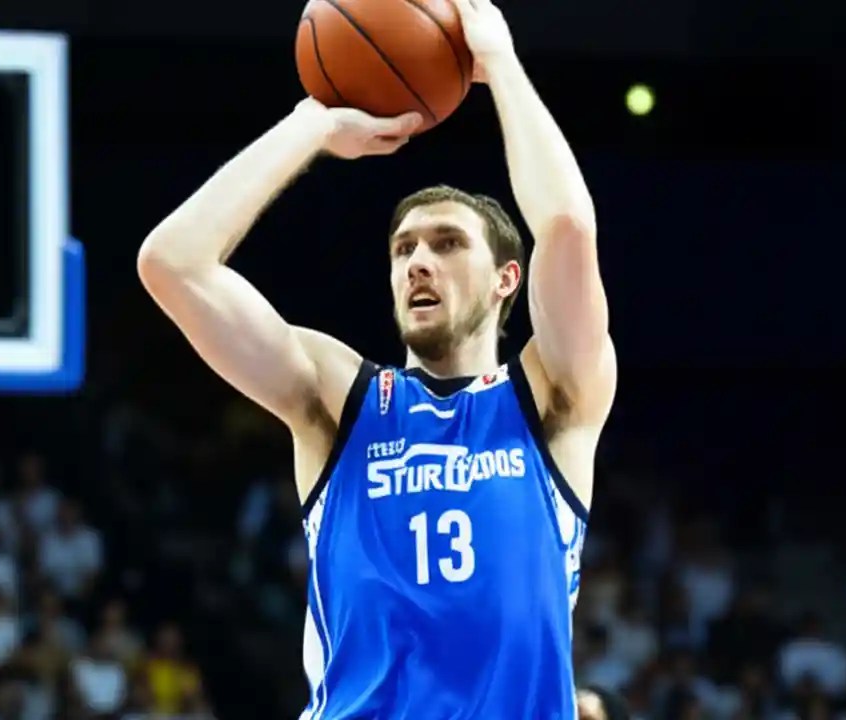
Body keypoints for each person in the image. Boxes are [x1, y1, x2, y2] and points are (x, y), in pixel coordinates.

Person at [137, 0, 616, 716]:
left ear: (505, 279)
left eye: (448, 244)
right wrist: (313, 125)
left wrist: (502, 68)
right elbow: (171, 265)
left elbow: (569, 230)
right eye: (403, 250)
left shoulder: (551, 396)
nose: (419, 262)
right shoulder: (341, 398)